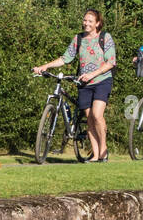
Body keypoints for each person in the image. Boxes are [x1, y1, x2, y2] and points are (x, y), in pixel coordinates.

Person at [33, 9, 115, 161]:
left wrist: (92, 74)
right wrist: (45, 66)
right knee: (89, 118)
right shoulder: (78, 39)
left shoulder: (105, 37)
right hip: (83, 82)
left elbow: (111, 62)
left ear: (97, 23)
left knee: (97, 115)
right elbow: (65, 58)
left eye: (90, 21)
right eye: (85, 20)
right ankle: (96, 155)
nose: (86, 23)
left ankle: (103, 149)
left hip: (102, 80)